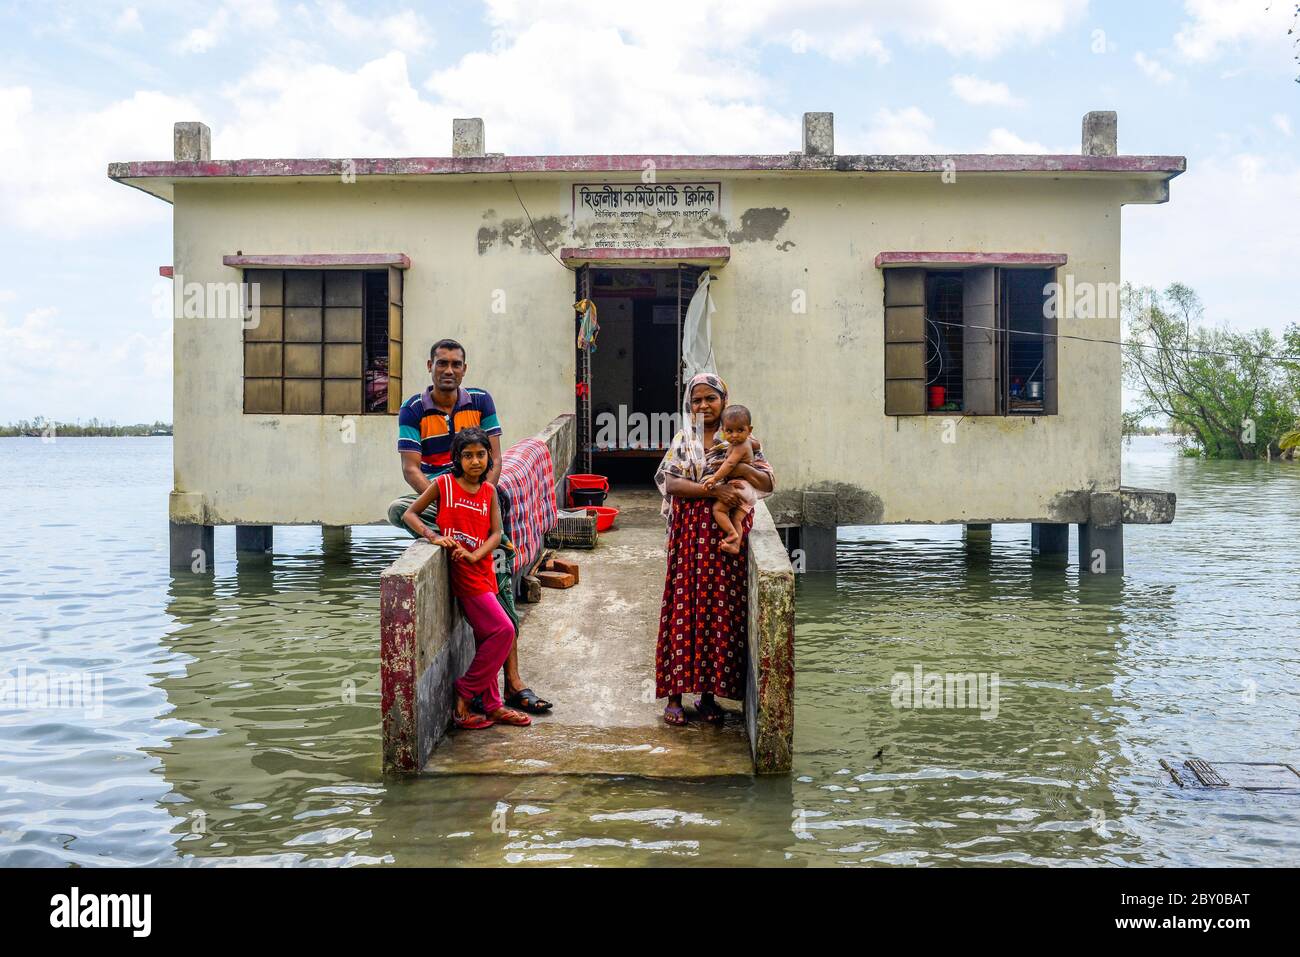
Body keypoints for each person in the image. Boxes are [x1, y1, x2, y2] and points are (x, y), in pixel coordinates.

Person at [386, 338, 553, 715]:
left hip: (483, 501)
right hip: (440, 499)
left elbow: (494, 458)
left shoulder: (480, 401)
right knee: (399, 509)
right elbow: (411, 467)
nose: (448, 370)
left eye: (456, 364)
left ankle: (513, 683)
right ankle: (489, 693)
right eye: (441, 363)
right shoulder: (413, 409)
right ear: (429, 365)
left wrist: (480, 498)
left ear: (465, 368)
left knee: (502, 593)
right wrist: (448, 499)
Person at [654, 373, 775, 726]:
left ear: (724, 401)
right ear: (689, 406)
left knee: (717, 617)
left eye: (711, 399)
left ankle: (706, 697)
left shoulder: (742, 439)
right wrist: (714, 492)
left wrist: (739, 466)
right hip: (689, 538)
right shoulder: (685, 440)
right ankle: (674, 697)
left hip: (724, 543)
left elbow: (767, 481)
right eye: (697, 400)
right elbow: (670, 482)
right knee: (682, 609)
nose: (703, 405)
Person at [402, 428, 531, 730]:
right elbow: (410, 514)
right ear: (457, 459)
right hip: (465, 576)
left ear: (489, 457)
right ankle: (466, 691)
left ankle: (492, 705)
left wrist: (477, 554)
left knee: (488, 637)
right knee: (504, 630)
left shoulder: (488, 492)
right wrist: (432, 536)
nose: (475, 461)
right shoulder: (444, 485)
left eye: (481, 454)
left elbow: (497, 533)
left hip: (483, 569)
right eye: (468, 455)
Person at [701, 403, 760, 555]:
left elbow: (731, 463)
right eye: (729, 431)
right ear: (723, 431)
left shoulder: (741, 445)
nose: (734, 435)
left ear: (749, 430)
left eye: (740, 430)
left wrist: (714, 478)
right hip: (747, 490)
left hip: (742, 487)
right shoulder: (736, 444)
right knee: (737, 520)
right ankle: (735, 545)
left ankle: (731, 533)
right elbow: (731, 462)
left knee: (718, 509)